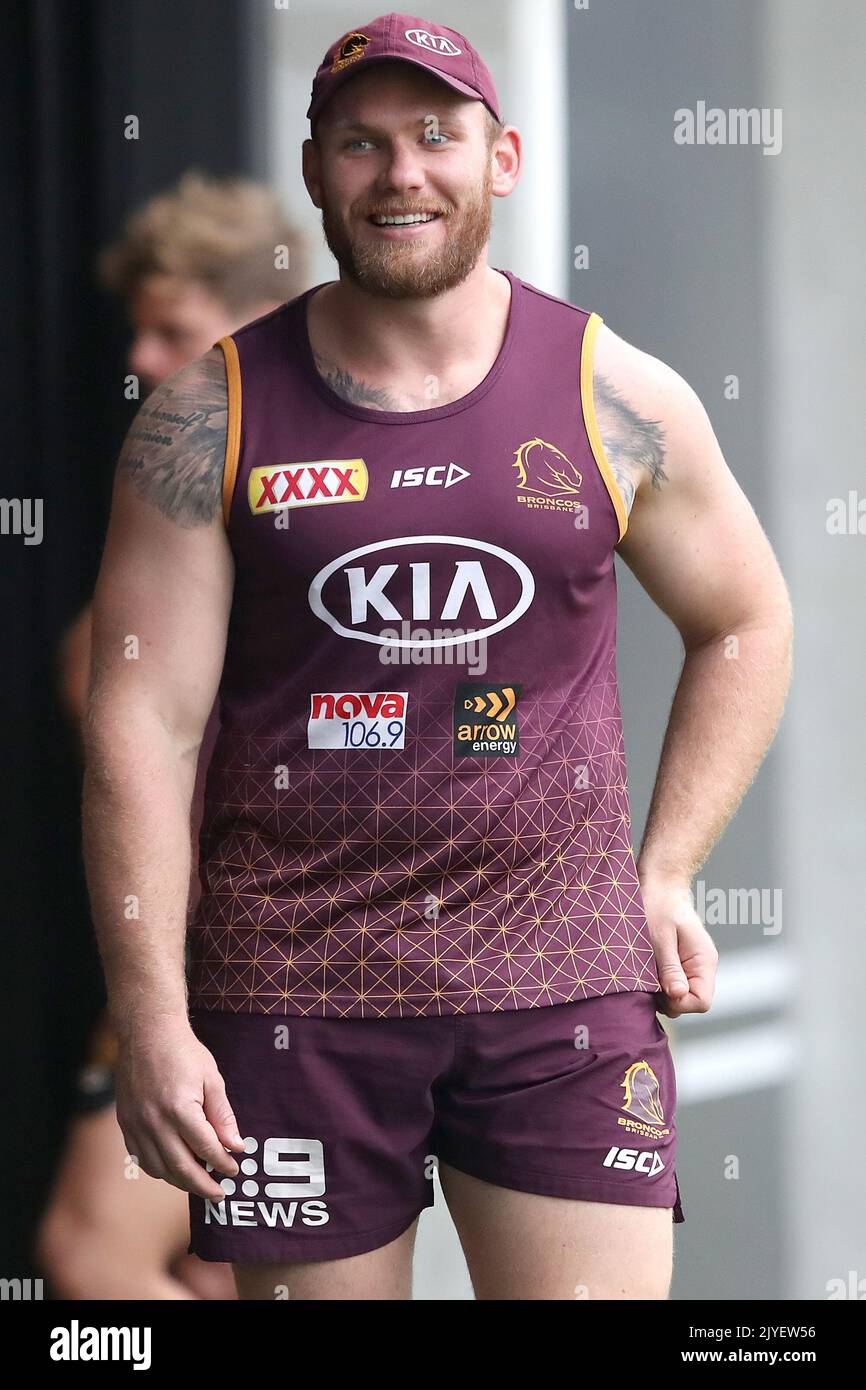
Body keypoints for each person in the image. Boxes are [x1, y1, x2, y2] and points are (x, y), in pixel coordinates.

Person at [82, 14, 793, 1301]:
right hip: (291, 995)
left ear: (501, 157)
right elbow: (142, 722)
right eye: (360, 143)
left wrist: (671, 867)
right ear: (314, 171)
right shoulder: (206, 416)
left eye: (434, 136)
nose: (399, 172)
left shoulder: (610, 394)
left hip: (563, 989)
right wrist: (152, 1015)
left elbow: (743, 620)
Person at [37, 171, 307, 1299]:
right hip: (178, 975)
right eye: (138, 329)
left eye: (174, 328)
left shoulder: (302, 501)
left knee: (90, 1255)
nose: (142, 357)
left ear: (251, 325)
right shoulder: (183, 483)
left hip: (259, 967)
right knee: (216, 1275)